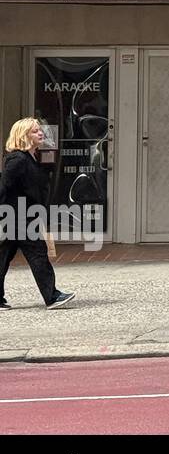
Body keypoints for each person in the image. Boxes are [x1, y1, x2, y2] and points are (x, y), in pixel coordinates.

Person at [0, 118, 74, 310]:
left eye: (40, 130)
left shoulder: (30, 157)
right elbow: (4, 187)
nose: (40, 133)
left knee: (3, 256)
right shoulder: (17, 159)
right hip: (18, 217)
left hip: (23, 216)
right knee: (38, 254)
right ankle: (52, 296)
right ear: (23, 136)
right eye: (35, 131)